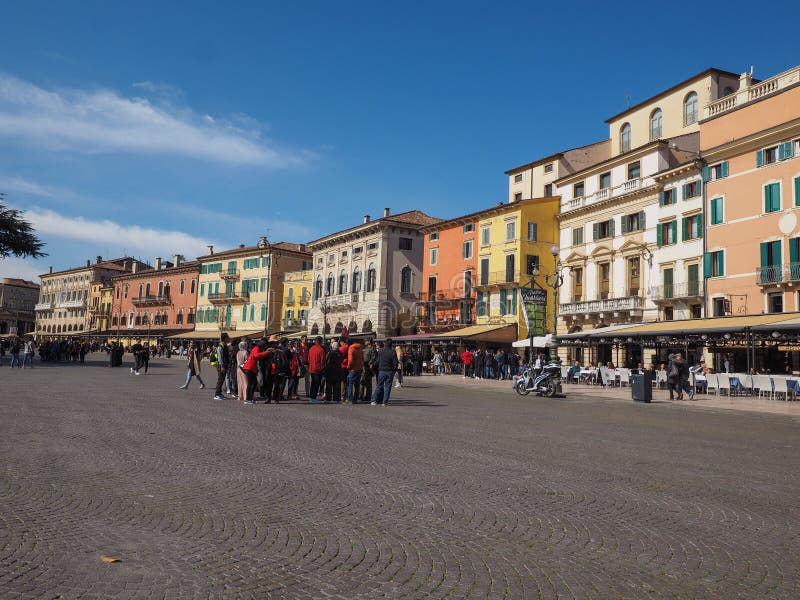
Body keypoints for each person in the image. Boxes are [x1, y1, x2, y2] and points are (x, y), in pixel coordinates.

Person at [372, 339, 399, 406]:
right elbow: (395, 363)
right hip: (389, 371)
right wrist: (394, 371)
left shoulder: (380, 351)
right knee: (388, 387)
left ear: (385, 344)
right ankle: (385, 401)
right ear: (391, 344)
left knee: (379, 386)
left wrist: (373, 365)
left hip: (381, 371)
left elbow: (378, 361)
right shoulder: (393, 352)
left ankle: (374, 400)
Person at [211, 333, 230, 400]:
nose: (229, 338)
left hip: (224, 365)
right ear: (225, 338)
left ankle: (219, 393)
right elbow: (220, 357)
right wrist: (222, 366)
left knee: (222, 380)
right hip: (221, 365)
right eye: (228, 337)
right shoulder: (220, 347)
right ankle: (216, 394)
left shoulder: (225, 346)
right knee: (220, 379)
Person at [307, 337, 326, 401]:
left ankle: (311, 395)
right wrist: (322, 368)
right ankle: (313, 397)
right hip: (318, 369)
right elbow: (322, 361)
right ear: (320, 342)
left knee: (313, 383)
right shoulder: (321, 350)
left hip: (311, 368)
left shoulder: (311, 349)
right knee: (316, 384)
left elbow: (308, 359)